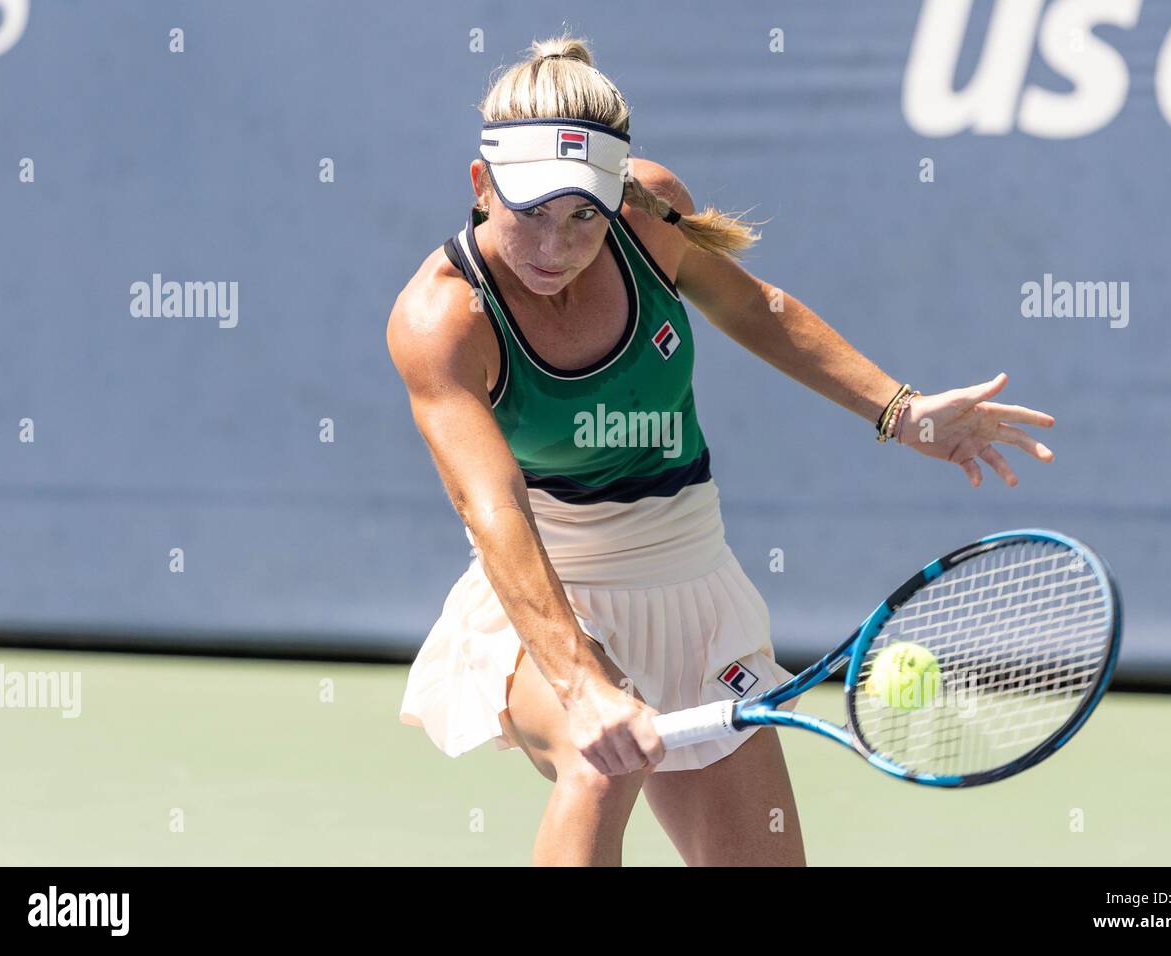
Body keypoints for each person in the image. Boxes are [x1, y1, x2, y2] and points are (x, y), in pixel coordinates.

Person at [386, 34, 1055, 867]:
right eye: (531, 214)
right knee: (599, 768)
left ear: (617, 195)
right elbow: (492, 508)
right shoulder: (441, 321)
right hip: (550, 589)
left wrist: (900, 409)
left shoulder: (651, 216)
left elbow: (754, 307)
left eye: (583, 216)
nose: (555, 248)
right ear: (481, 184)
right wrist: (582, 682)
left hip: (694, 589)